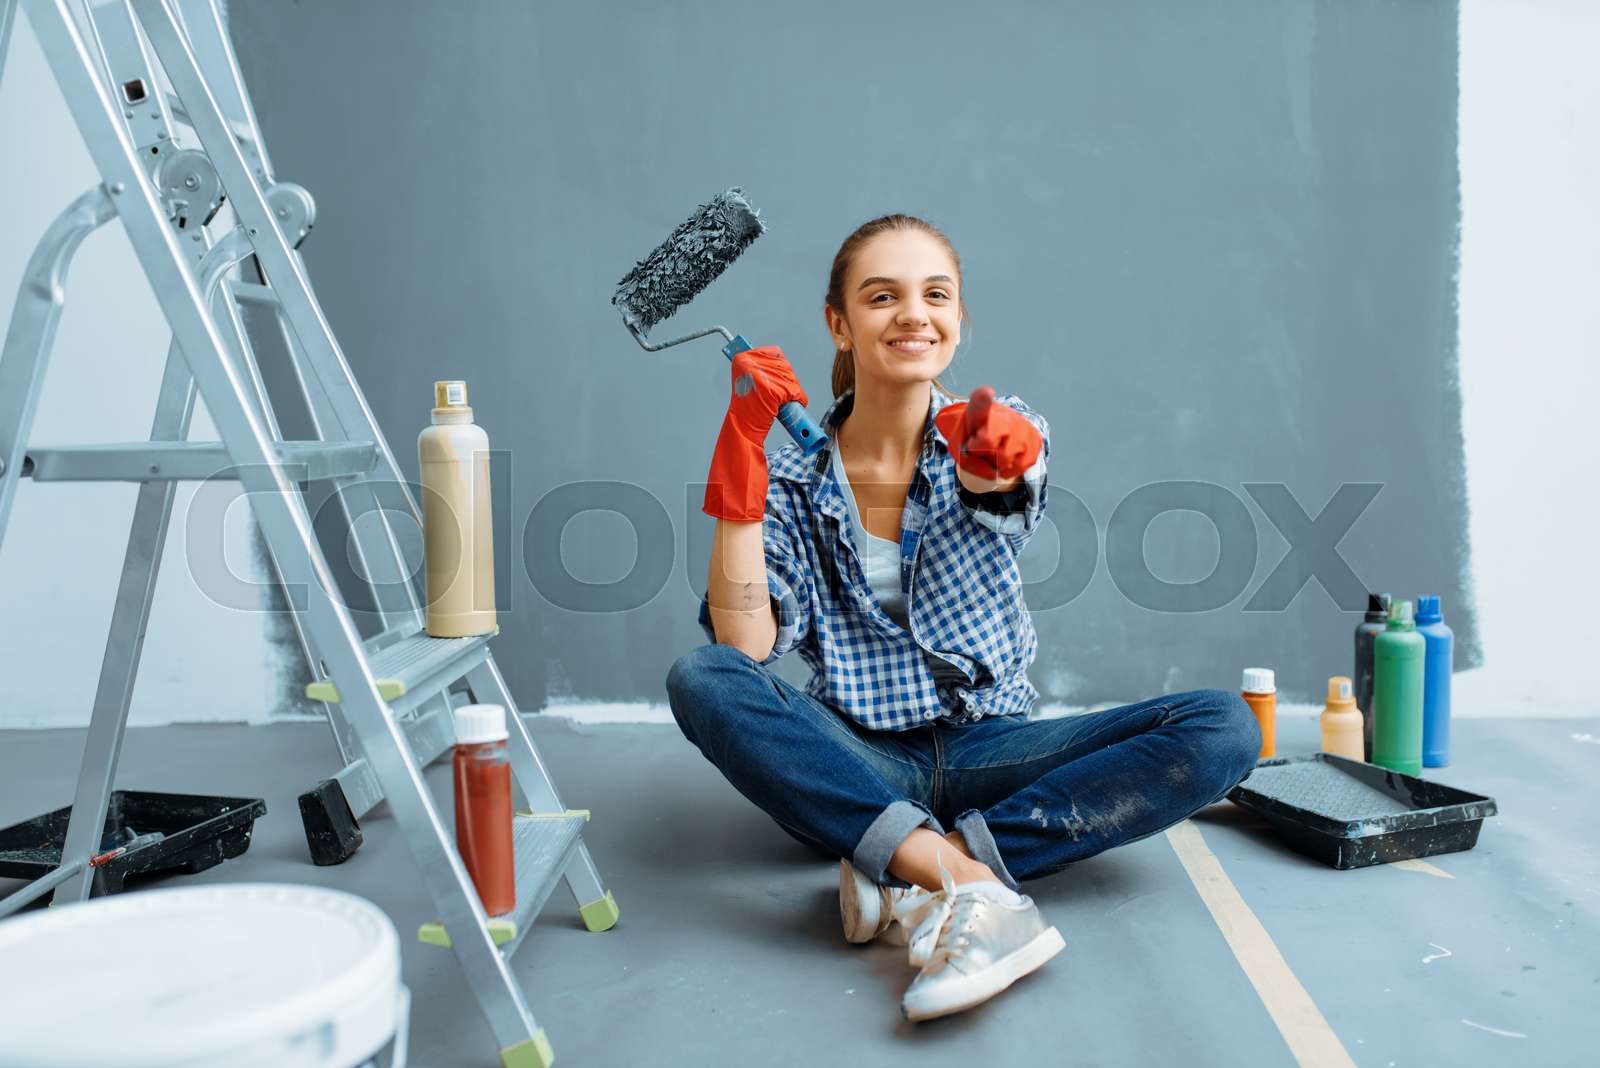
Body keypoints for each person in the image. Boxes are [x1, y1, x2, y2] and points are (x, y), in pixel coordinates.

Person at [665, 213, 1261, 1023]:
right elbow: (746, 645)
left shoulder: (986, 432)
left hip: (994, 747)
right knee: (702, 676)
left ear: (957, 320)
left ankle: (904, 865)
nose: (913, 313)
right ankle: (972, 885)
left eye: (934, 295)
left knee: (1223, 728)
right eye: (883, 296)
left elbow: (1004, 485)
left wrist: (996, 454)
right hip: (858, 759)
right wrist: (739, 458)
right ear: (838, 323)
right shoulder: (793, 479)